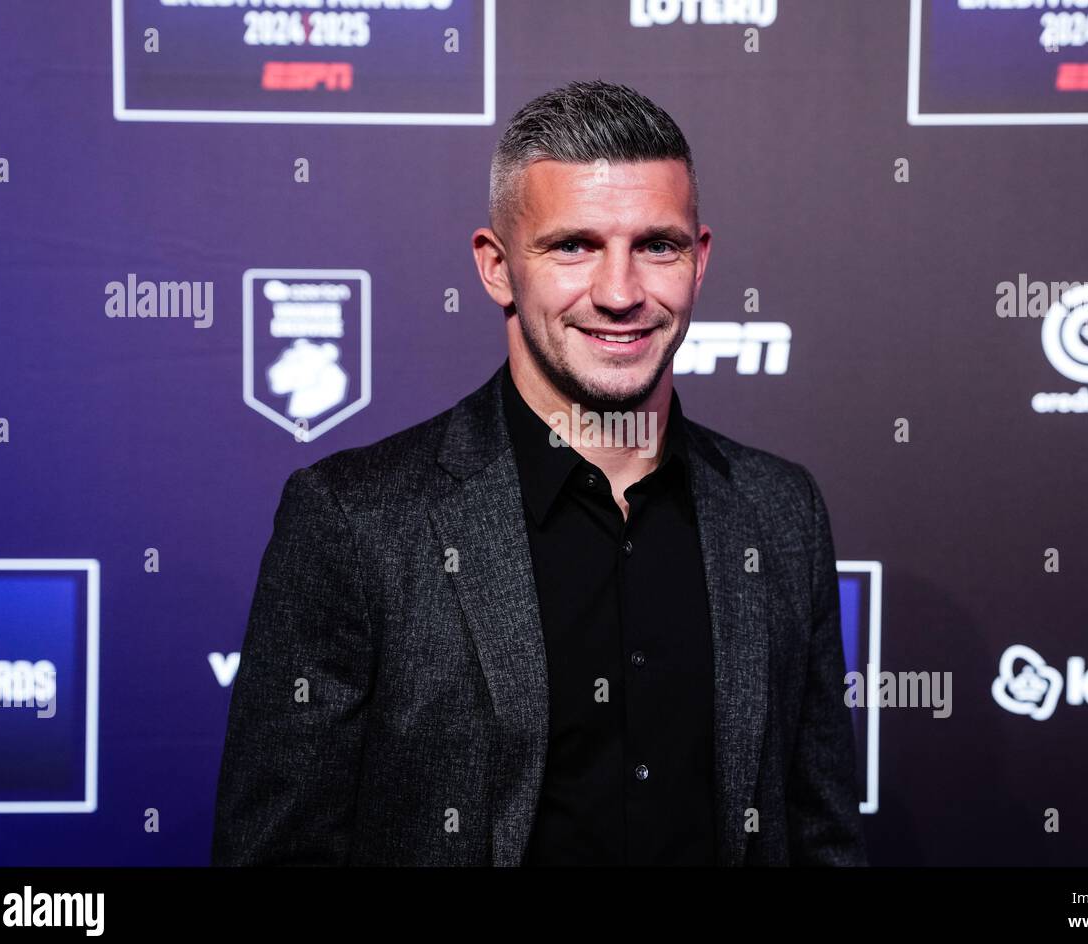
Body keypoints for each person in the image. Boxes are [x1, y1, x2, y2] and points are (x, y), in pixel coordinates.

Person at [211, 79, 867, 866]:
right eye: (573, 246)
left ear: (700, 260)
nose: (620, 293)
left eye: (656, 245)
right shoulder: (355, 520)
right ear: (495, 267)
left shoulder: (778, 512)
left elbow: (821, 836)